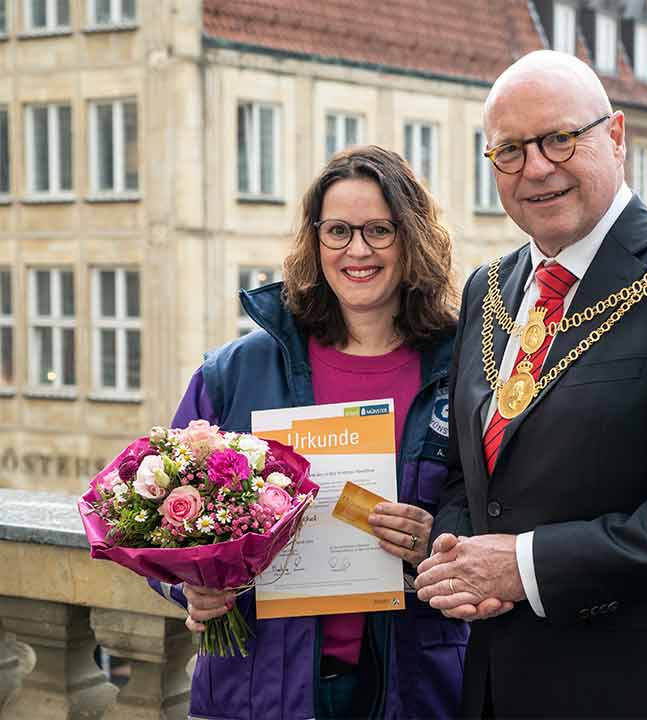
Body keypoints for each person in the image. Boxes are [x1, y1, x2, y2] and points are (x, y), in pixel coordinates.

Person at [415, 50, 647, 718]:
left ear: (615, 137)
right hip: (501, 681)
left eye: (560, 138)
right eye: (508, 151)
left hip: (640, 688)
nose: (536, 167)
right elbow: (467, 477)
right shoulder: (488, 287)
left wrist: (525, 567)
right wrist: (456, 552)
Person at [148, 145, 468, 719]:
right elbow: (158, 512)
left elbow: (499, 510)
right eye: (338, 231)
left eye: (379, 230)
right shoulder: (238, 371)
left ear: (411, 237)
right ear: (315, 239)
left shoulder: (465, 369)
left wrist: (438, 541)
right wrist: (191, 588)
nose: (358, 250)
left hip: (412, 688)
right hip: (259, 688)